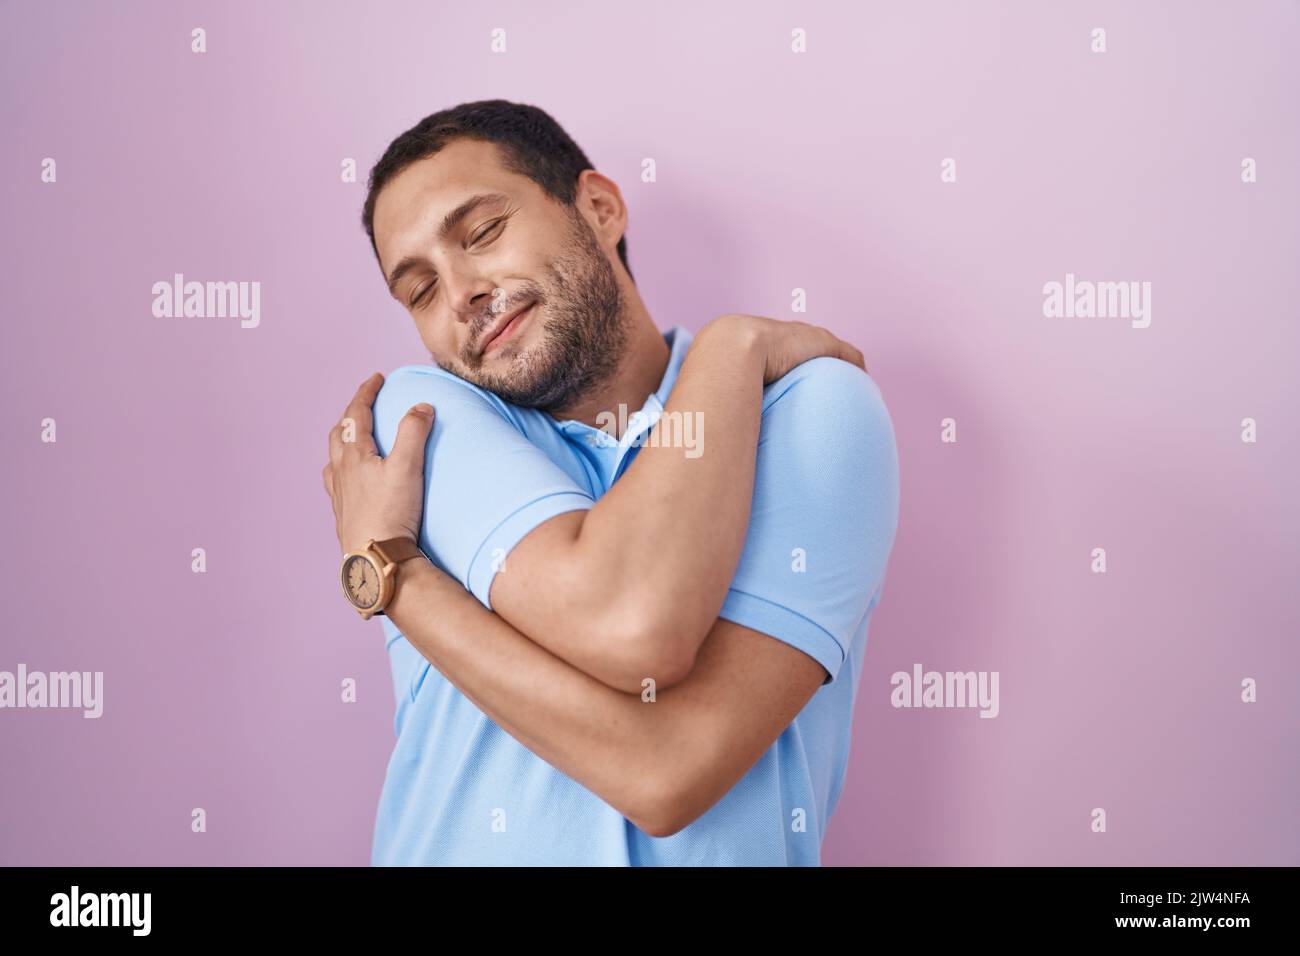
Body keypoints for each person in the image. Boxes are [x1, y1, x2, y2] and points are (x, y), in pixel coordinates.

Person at [322, 99, 900, 865]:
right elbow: (628, 625)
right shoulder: (417, 424)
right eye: (421, 290)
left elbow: (662, 758)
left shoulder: (813, 411)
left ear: (599, 208)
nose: (460, 293)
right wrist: (733, 347)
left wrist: (394, 576)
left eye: (483, 232)